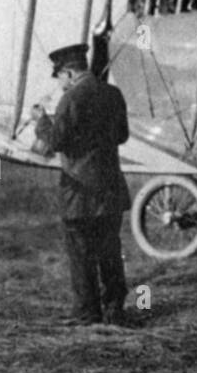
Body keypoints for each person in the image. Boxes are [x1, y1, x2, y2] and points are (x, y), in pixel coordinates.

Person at [31, 43, 132, 326]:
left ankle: (88, 313)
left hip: (80, 192)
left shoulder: (71, 99)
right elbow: (122, 135)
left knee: (81, 254)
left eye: (60, 77)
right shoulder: (113, 94)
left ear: (69, 72)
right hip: (111, 188)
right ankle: (115, 311)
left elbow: (55, 142)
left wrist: (41, 122)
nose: (60, 84)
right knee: (110, 251)